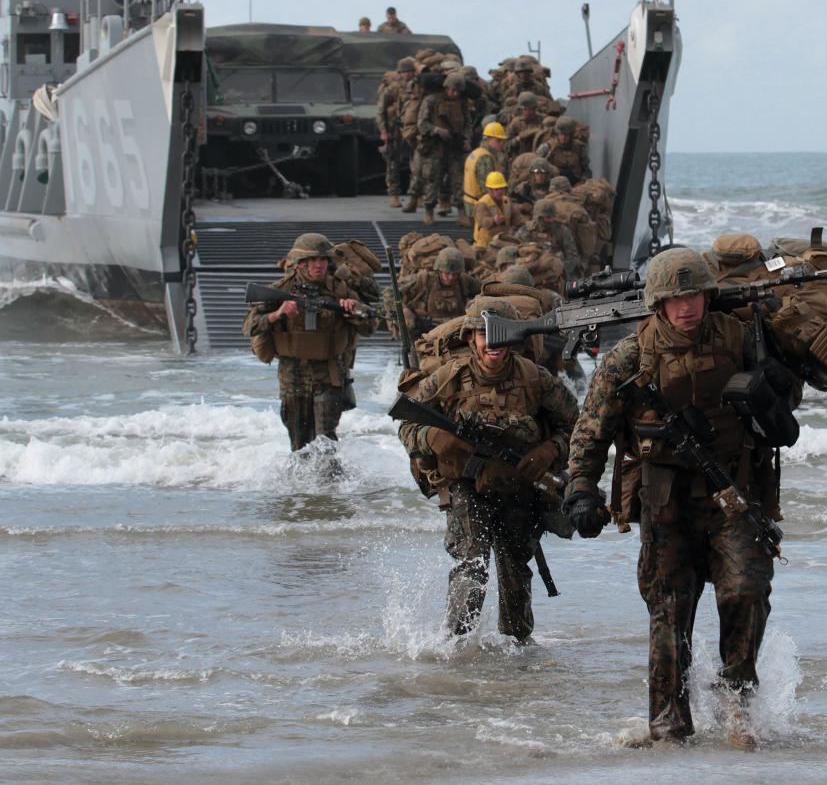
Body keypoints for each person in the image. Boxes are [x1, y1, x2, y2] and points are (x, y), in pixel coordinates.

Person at [564, 248, 782, 750]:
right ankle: (667, 725)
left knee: (747, 591)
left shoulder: (738, 337)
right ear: (658, 304)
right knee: (668, 612)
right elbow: (590, 431)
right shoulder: (629, 358)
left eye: (695, 295)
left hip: (732, 492)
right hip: (666, 501)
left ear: (708, 296)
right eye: (675, 297)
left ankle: (737, 702)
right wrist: (581, 489)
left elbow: (779, 396)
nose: (687, 306)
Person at [398, 297, 579, 642]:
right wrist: (431, 437)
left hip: (520, 487)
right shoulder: (446, 379)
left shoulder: (536, 379)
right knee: (471, 566)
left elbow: (580, 426)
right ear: (470, 338)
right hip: (467, 485)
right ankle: (456, 646)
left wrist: (550, 449)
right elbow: (406, 425)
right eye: (484, 334)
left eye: (501, 335)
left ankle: (519, 649)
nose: (492, 343)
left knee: (514, 572)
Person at [243, 234, 373, 451]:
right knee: (299, 443)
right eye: (313, 260)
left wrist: (354, 311)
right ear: (300, 264)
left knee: (326, 442)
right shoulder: (280, 290)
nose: (319, 266)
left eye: (323, 260)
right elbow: (249, 327)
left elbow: (369, 326)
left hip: (329, 373)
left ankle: (330, 483)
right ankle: (300, 485)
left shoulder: (340, 289)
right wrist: (278, 313)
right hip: (293, 374)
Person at [417, 72, 471, 226]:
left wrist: (466, 138)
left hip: (455, 147)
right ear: (446, 87)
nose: (455, 94)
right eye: (453, 90)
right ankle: (429, 212)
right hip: (436, 147)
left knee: (459, 180)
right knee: (433, 180)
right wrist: (436, 130)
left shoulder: (462, 103)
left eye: (458, 91)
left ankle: (461, 213)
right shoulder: (431, 101)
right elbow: (421, 124)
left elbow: (468, 123)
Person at [396, 246, 482, 334]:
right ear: (439, 270)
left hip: (456, 330)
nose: (451, 277)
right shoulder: (424, 279)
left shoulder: (464, 280)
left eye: (455, 274)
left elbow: (485, 290)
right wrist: (404, 310)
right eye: (447, 273)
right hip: (426, 330)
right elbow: (393, 291)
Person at [377, 56, 418, 208]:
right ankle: (393, 194)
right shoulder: (393, 89)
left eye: (410, 71)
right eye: (404, 72)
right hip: (395, 130)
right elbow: (380, 111)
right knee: (393, 162)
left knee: (417, 163)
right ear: (400, 73)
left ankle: (416, 195)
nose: (407, 75)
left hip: (413, 130)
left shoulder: (418, 87)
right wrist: (383, 130)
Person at [463, 122, 507, 216]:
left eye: (502, 141)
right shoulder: (485, 158)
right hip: (478, 205)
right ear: (488, 139)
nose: (501, 144)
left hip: (470, 202)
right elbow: (486, 188)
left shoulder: (476, 153)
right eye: (498, 140)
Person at [535, 116, 591, 185]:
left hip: (576, 185)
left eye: (566, 135)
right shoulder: (548, 147)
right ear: (557, 134)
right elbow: (536, 167)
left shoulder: (579, 148)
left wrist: (583, 181)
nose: (563, 137)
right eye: (561, 134)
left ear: (571, 135)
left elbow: (587, 171)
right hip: (552, 185)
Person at [473, 171, 515, 247]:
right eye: (496, 189)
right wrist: (493, 220)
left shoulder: (506, 201)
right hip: (485, 245)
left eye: (502, 189)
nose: (500, 192)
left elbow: (516, 216)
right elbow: (482, 221)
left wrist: (526, 223)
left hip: (502, 242)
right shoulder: (482, 203)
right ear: (490, 190)